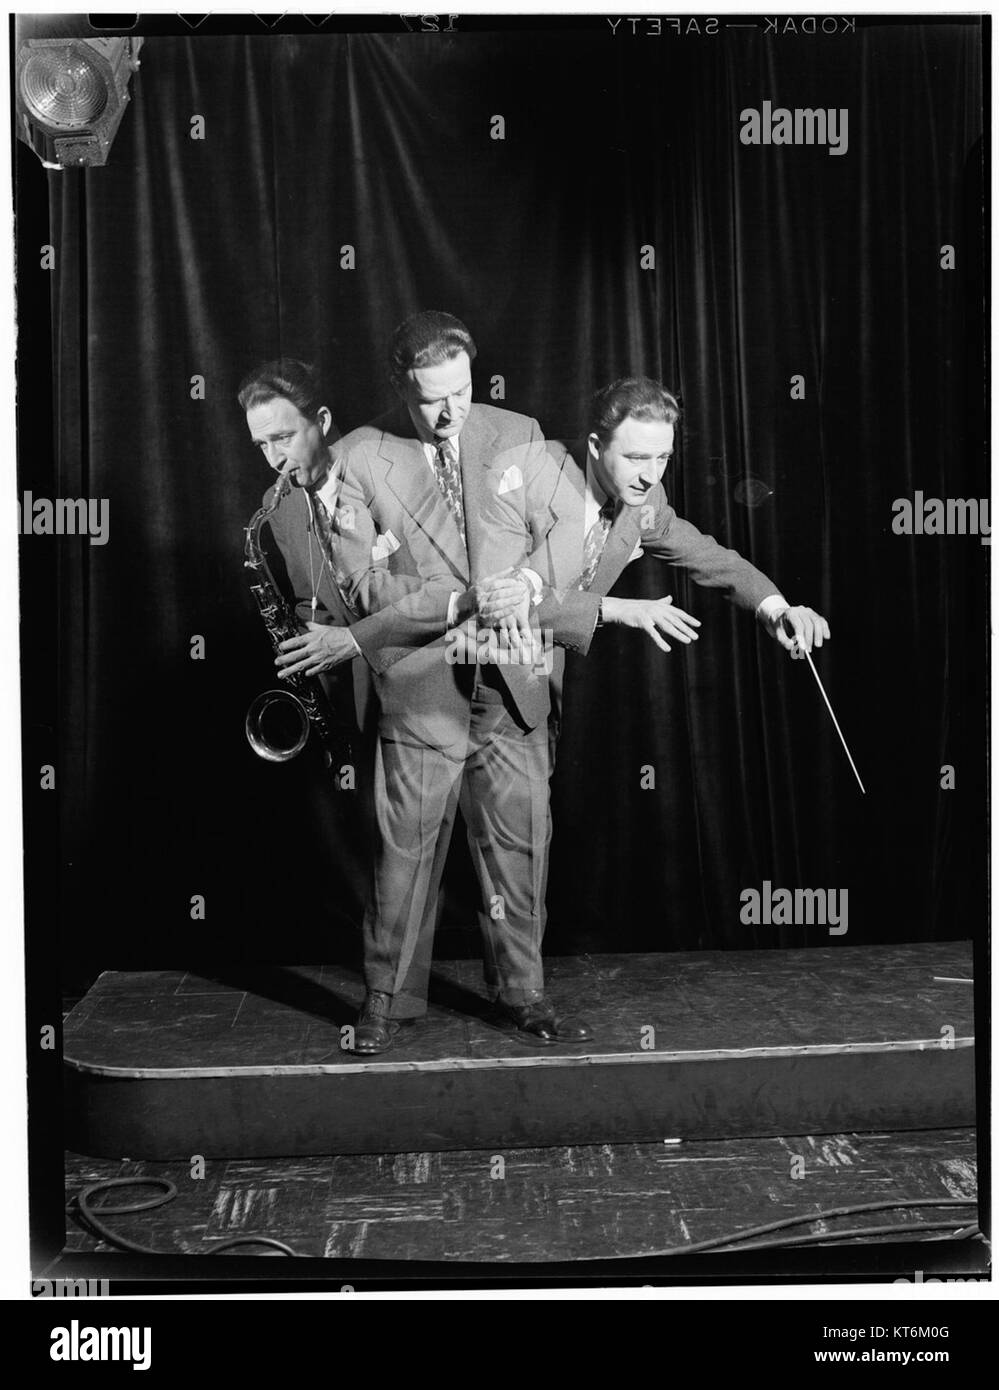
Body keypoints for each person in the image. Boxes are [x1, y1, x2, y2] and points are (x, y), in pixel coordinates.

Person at [328, 312, 593, 1054]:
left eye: (462, 391)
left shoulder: (520, 432)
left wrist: (529, 584)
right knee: (404, 852)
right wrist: (462, 601)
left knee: (518, 843)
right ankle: (387, 1000)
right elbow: (361, 587)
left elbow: (569, 533)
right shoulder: (355, 457)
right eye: (430, 400)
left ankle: (522, 992)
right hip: (420, 685)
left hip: (512, 681)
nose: (450, 413)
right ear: (398, 387)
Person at [480, 374, 830, 745]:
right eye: (636, 458)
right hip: (456, 671)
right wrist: (615, 609)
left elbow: (704, 553)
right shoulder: (529, 472)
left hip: (528, 690)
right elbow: (497, 598)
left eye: (662, 458)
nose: (650, 476)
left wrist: (775, 608)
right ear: (596, 446)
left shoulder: (643, 498)